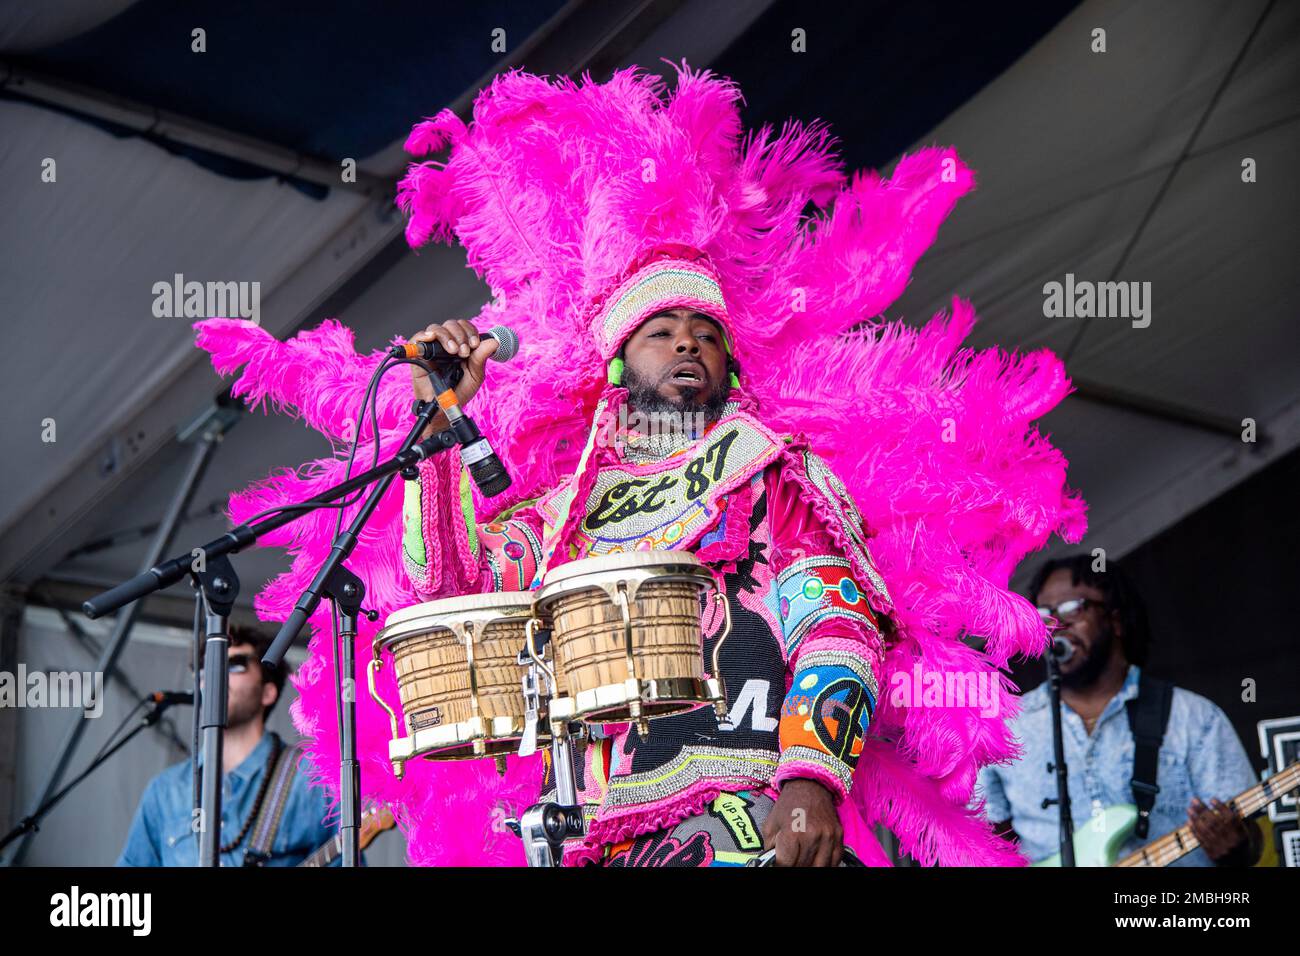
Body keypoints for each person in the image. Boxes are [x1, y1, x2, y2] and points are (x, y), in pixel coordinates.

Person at [194, 64, 1086, 867]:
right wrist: (439, 429)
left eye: (706, 334)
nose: (688, 344)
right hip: (593, 839)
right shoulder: (565, 510)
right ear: (619, 363)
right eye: (662, 333)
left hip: (745, 819)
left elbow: (836, 619)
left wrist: (811, 778)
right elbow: (455, 596)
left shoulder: (766, 472)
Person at [976, 555, 1262, 866]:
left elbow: (1253, 838)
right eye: (1044, 614)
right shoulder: (1001, 724)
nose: (1057, 624)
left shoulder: (1195, 718)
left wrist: (1233, 845)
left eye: (1075, 608)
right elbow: (982, 840)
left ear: (1116, 620)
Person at [117, 626, 339, 867]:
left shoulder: (312, 777)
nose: (215, 674)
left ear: (268, 693)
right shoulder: (164, 791)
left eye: (235, 664)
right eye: (205, 667)